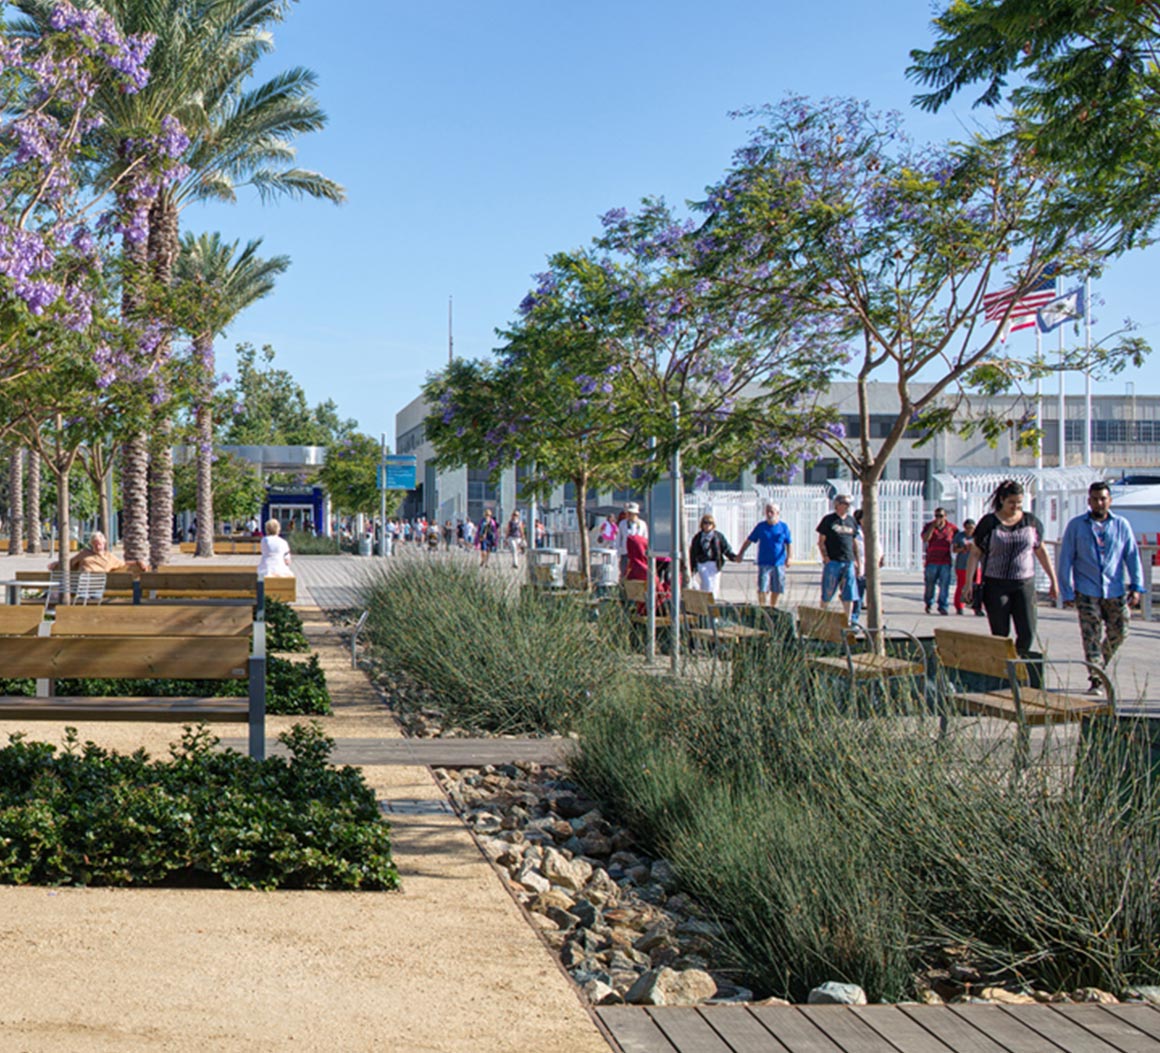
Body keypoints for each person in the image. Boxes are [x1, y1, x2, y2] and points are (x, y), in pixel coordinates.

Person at [1056, 480, 1144, 696]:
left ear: (1110, 500)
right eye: (1095, 499)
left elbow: (1132, 555)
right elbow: (1066, 559)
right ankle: (1096, 679)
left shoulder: (1121, 525)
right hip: (1087, 590)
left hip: (1114, 589)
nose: (1099, 503)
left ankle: (1100, 664)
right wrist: (1066, 591)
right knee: (1091, 634)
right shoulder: (1077, 526)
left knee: (1121, 630)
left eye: (1103, 498)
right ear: (1089, 501)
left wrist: (1136, 586)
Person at [963, 479, 1058, 657]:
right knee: (1000, 632)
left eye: (1019, 503)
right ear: (1002, 500)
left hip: (1024, 584)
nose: (1015, 506)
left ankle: (1020, 662)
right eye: (1011, 502)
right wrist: (968, 583)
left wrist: (1054, 580)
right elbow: (975, 554)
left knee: (1027, 631)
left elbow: (1041, 551)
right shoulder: (989, 523)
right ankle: (1003, 668)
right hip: (996, 585)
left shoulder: (1031, 522)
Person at [735, 502, 792, 607]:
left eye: (772, 512)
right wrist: (741, 553)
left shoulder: (783, 527)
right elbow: (749, 540)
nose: (769, 514)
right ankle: (763, 607)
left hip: (778, 563)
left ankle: (773, 607)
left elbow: (788, 543)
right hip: (764, 562)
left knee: (777, 587)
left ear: (777, 513)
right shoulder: (761, 527)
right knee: (762, 587)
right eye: (767, 512)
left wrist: (789, 557)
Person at [816, 494, 862, 620]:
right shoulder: (829, 520)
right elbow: (821, 540)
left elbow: (854, 542)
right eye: (844, 503)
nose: (847, 506)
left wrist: (858, 562)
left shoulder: (851, 521)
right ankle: (823, 617)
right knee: (828, 591)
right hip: (833, 561)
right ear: (837, 505)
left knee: (849, 592)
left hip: (848, 561)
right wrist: (825, 556)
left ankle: (847, 619)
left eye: (848, 504)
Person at [48, 530, 148, 574]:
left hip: (98, 585)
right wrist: (56, 564)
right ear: (91, 544)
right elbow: (69, 563)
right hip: (82, 584)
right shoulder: (84, 553)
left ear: (104, 543)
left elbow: (123, 564)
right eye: (95, 543)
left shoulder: (109, 557)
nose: (97, 545)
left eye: (99, 543)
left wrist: (138, 562)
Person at [688, 514, 738, 598]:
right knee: (706, 583)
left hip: (715, 563)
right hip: (702, 563)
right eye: (705, 523)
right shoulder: (698, 537)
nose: (707, 525)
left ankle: (712, 602)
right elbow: (693, 552)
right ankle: (706, 602)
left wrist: (734, 557)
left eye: (709, 523)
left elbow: (725, 549)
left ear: (713, 525)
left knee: (714, 585)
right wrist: (692, 567)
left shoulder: (718, 536)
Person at [921, 506, 957, 615]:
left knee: (944, 585)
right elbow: (925, 539)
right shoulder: (929, 526)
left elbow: (957, 540)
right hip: (932, 561)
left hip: (945, 561)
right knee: (930, 584)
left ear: (945, 516)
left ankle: (943, 606)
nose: (938, 518)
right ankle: (929, 603)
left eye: (940, 516)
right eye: (936, 516)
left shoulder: (951, 528)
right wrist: (932, 527)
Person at [952, 519, 983, 616]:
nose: (970, 530)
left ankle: (976, 607)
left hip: (976, 565)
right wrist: (964, 548)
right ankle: (959, 607)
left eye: (972, 528)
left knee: (976, 587)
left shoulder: (978, 536)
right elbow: (954, 549)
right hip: (962, 565)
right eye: (968, 528)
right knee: (962, 586)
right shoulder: (960, 536)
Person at [616, 502, 649, 579]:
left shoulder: (642, 524)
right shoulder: (622, 524)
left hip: (638, 554)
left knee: (638, 574)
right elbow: (618, 539)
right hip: (625, 553)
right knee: (624, 573)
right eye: (628, 513)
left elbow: (645, 539)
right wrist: (618, 553)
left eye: (631, 513)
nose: (629, 515)